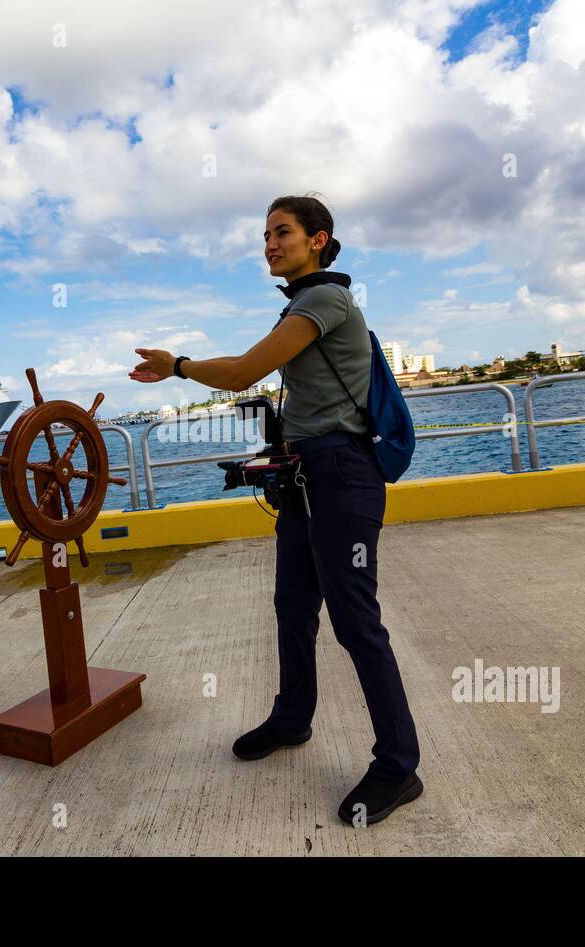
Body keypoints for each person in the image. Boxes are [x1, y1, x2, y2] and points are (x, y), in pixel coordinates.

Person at [129, 194, 422, 826]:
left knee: (355, 622)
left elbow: (240, 373)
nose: (269, 243)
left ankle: (399, 766)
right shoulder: (301, 304)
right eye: (265, 234)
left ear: (319, 239)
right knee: (292, 605)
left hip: (343, 477)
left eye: (281, 232)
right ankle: (292, 719)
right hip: (307, 477)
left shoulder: (325, 300)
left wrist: (177, 365)